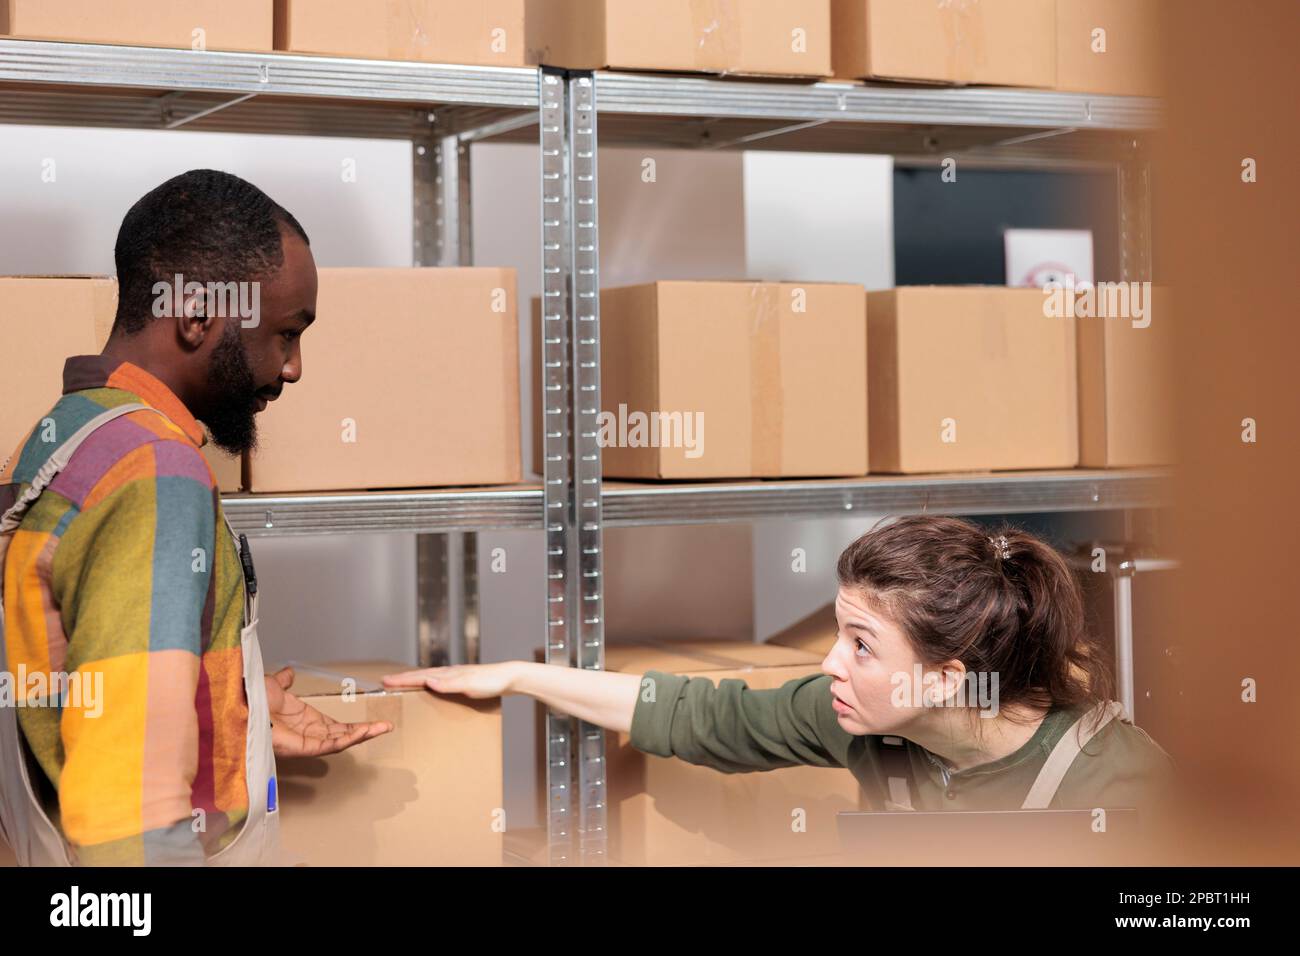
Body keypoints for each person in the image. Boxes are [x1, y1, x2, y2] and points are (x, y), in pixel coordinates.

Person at [0, 169, 390, 867]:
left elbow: (83, 672)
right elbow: (129, 804)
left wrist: (238, 709)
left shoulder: (62, 439)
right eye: (285, 334)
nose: (294, 367)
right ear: (197, 317)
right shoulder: (155, 469)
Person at [384, 515, 1176, 822]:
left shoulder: (1121, 780)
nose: (829, 663)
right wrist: (520, 676)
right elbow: (700, 714)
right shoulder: (859, 720)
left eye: (861, 645)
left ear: (943, 678)